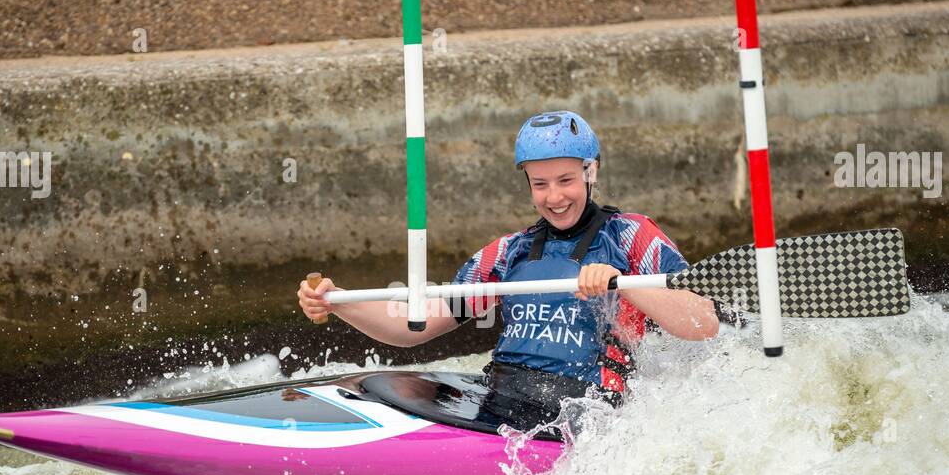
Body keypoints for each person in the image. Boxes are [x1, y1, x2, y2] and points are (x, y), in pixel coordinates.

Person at [298, 111, 721, 428]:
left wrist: (620, 284)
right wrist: (337, 304)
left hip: (588, 409)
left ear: (591, 172)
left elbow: (703, 321)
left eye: (565, 180)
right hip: (504, 394)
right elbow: (416, 326)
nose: (554, 197)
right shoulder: (506, 254)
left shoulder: (632, 236)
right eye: (540, 184)